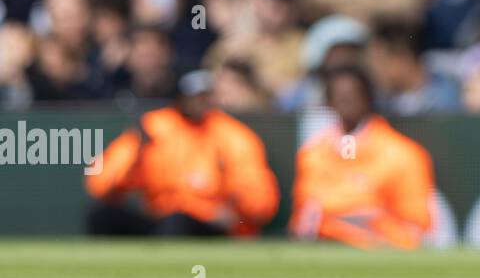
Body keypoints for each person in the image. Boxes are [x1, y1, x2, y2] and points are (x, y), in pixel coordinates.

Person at [85, 70, 279, 235]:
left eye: (205, 96)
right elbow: (99, 184)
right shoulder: (154, 127)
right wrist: (135, 157)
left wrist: (231, 193)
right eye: (193, 96)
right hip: (159, 217)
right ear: (180, 97)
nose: (199, 103)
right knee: (102, 216)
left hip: (210, 223)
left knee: (177, 222)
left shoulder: (231, 135)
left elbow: (262, 203)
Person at [289, 65, 434, 249]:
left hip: (379, 251)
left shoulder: (403, 154)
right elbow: (302, 218)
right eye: (339, 98)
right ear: (329, 102)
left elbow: (415, 225)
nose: (346, 103)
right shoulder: (313, 153)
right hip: (321, 250)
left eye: (352, 97)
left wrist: (356, 224)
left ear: (368, 99)